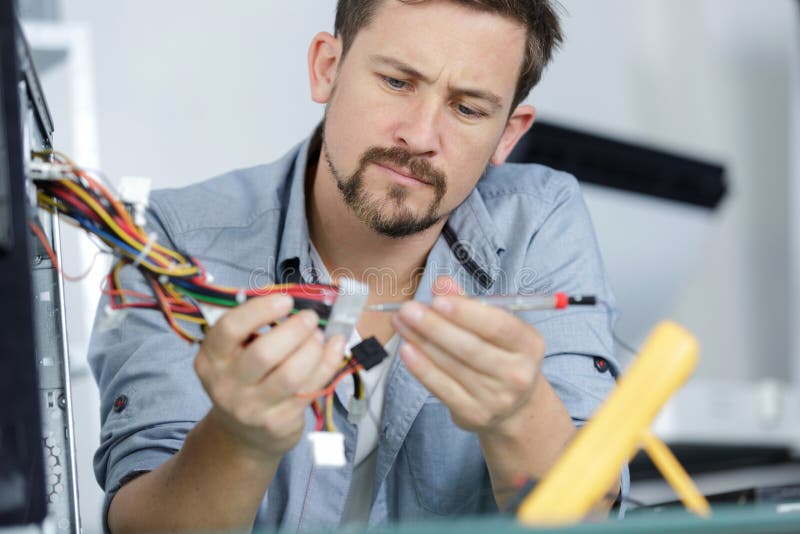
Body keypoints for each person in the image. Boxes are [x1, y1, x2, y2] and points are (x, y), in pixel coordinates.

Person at [88, 1, 627, 532]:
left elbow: (585, 517)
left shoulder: (537, 221)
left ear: (508, 134)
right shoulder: (171, 240)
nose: (419, 137)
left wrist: (520, 412)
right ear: (328, 68)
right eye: (396, 81)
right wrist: (237, 439)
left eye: (467, 109)